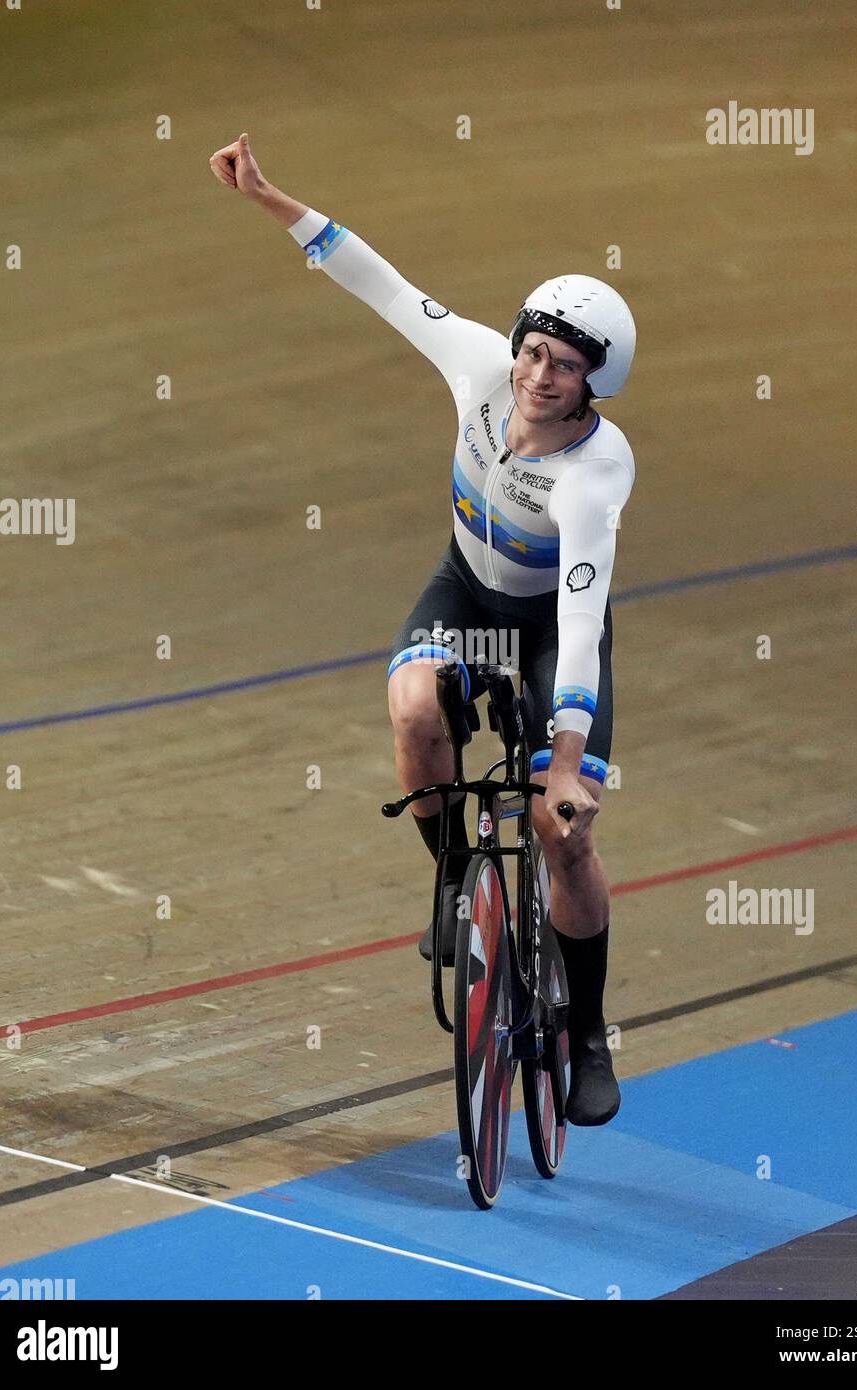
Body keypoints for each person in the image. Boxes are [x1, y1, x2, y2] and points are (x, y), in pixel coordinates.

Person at [210, 133, 637, 1126]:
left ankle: (586, 1028)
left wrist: (566, 757)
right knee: (410, 706)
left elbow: (577, 618)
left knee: (560, 833)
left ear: (593, 385)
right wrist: (270, 197)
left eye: (561, 367)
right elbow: (383, 284)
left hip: (540, 632)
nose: (535, 374)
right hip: (465, 593)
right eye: (532, 351)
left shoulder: (596, 473)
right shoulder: (484, 365)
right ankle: (454, 881)